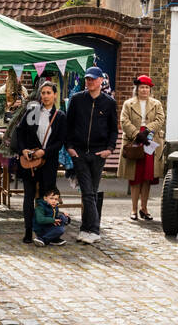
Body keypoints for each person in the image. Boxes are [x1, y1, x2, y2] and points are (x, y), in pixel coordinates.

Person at [64, 66, 117, 243]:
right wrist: (70, 147)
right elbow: (68, 125)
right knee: (87, 192)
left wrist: (109, 149)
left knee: (91, 192)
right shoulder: (77, 99)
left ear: (101, 81)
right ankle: (93, 230)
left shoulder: (109, 103)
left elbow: (113, 130)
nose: (89, 82)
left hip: (98, 153)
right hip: (79, 153)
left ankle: (87, 229)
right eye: (87, 79)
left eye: (93, 79)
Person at [11, 81, 66, 244]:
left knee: (46, 198)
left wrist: (45, 151)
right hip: (30, 161)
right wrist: (23, 151)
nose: (46, 96)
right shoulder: (33, 111)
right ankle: (28, 230)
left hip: (48, 162)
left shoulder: (61, 116)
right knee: (28, 196)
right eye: (43, 93)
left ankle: (46, 232)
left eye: (49, 93)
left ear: (55, 95)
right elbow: (20, 133)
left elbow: (60, 141)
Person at [118, 74, 166, 221]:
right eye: (141, 87)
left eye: (147, 87)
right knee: (135, 177)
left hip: (150, 141)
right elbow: (123, 120)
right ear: (137, 89)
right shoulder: (128, 104)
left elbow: (160, 119)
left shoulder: (156, 104)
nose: (144, 90)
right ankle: (133, 208)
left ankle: (144, 208)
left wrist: (146, 131)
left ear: (150, 90)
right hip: (134, 142)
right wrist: (136, 133)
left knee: (147, 176)